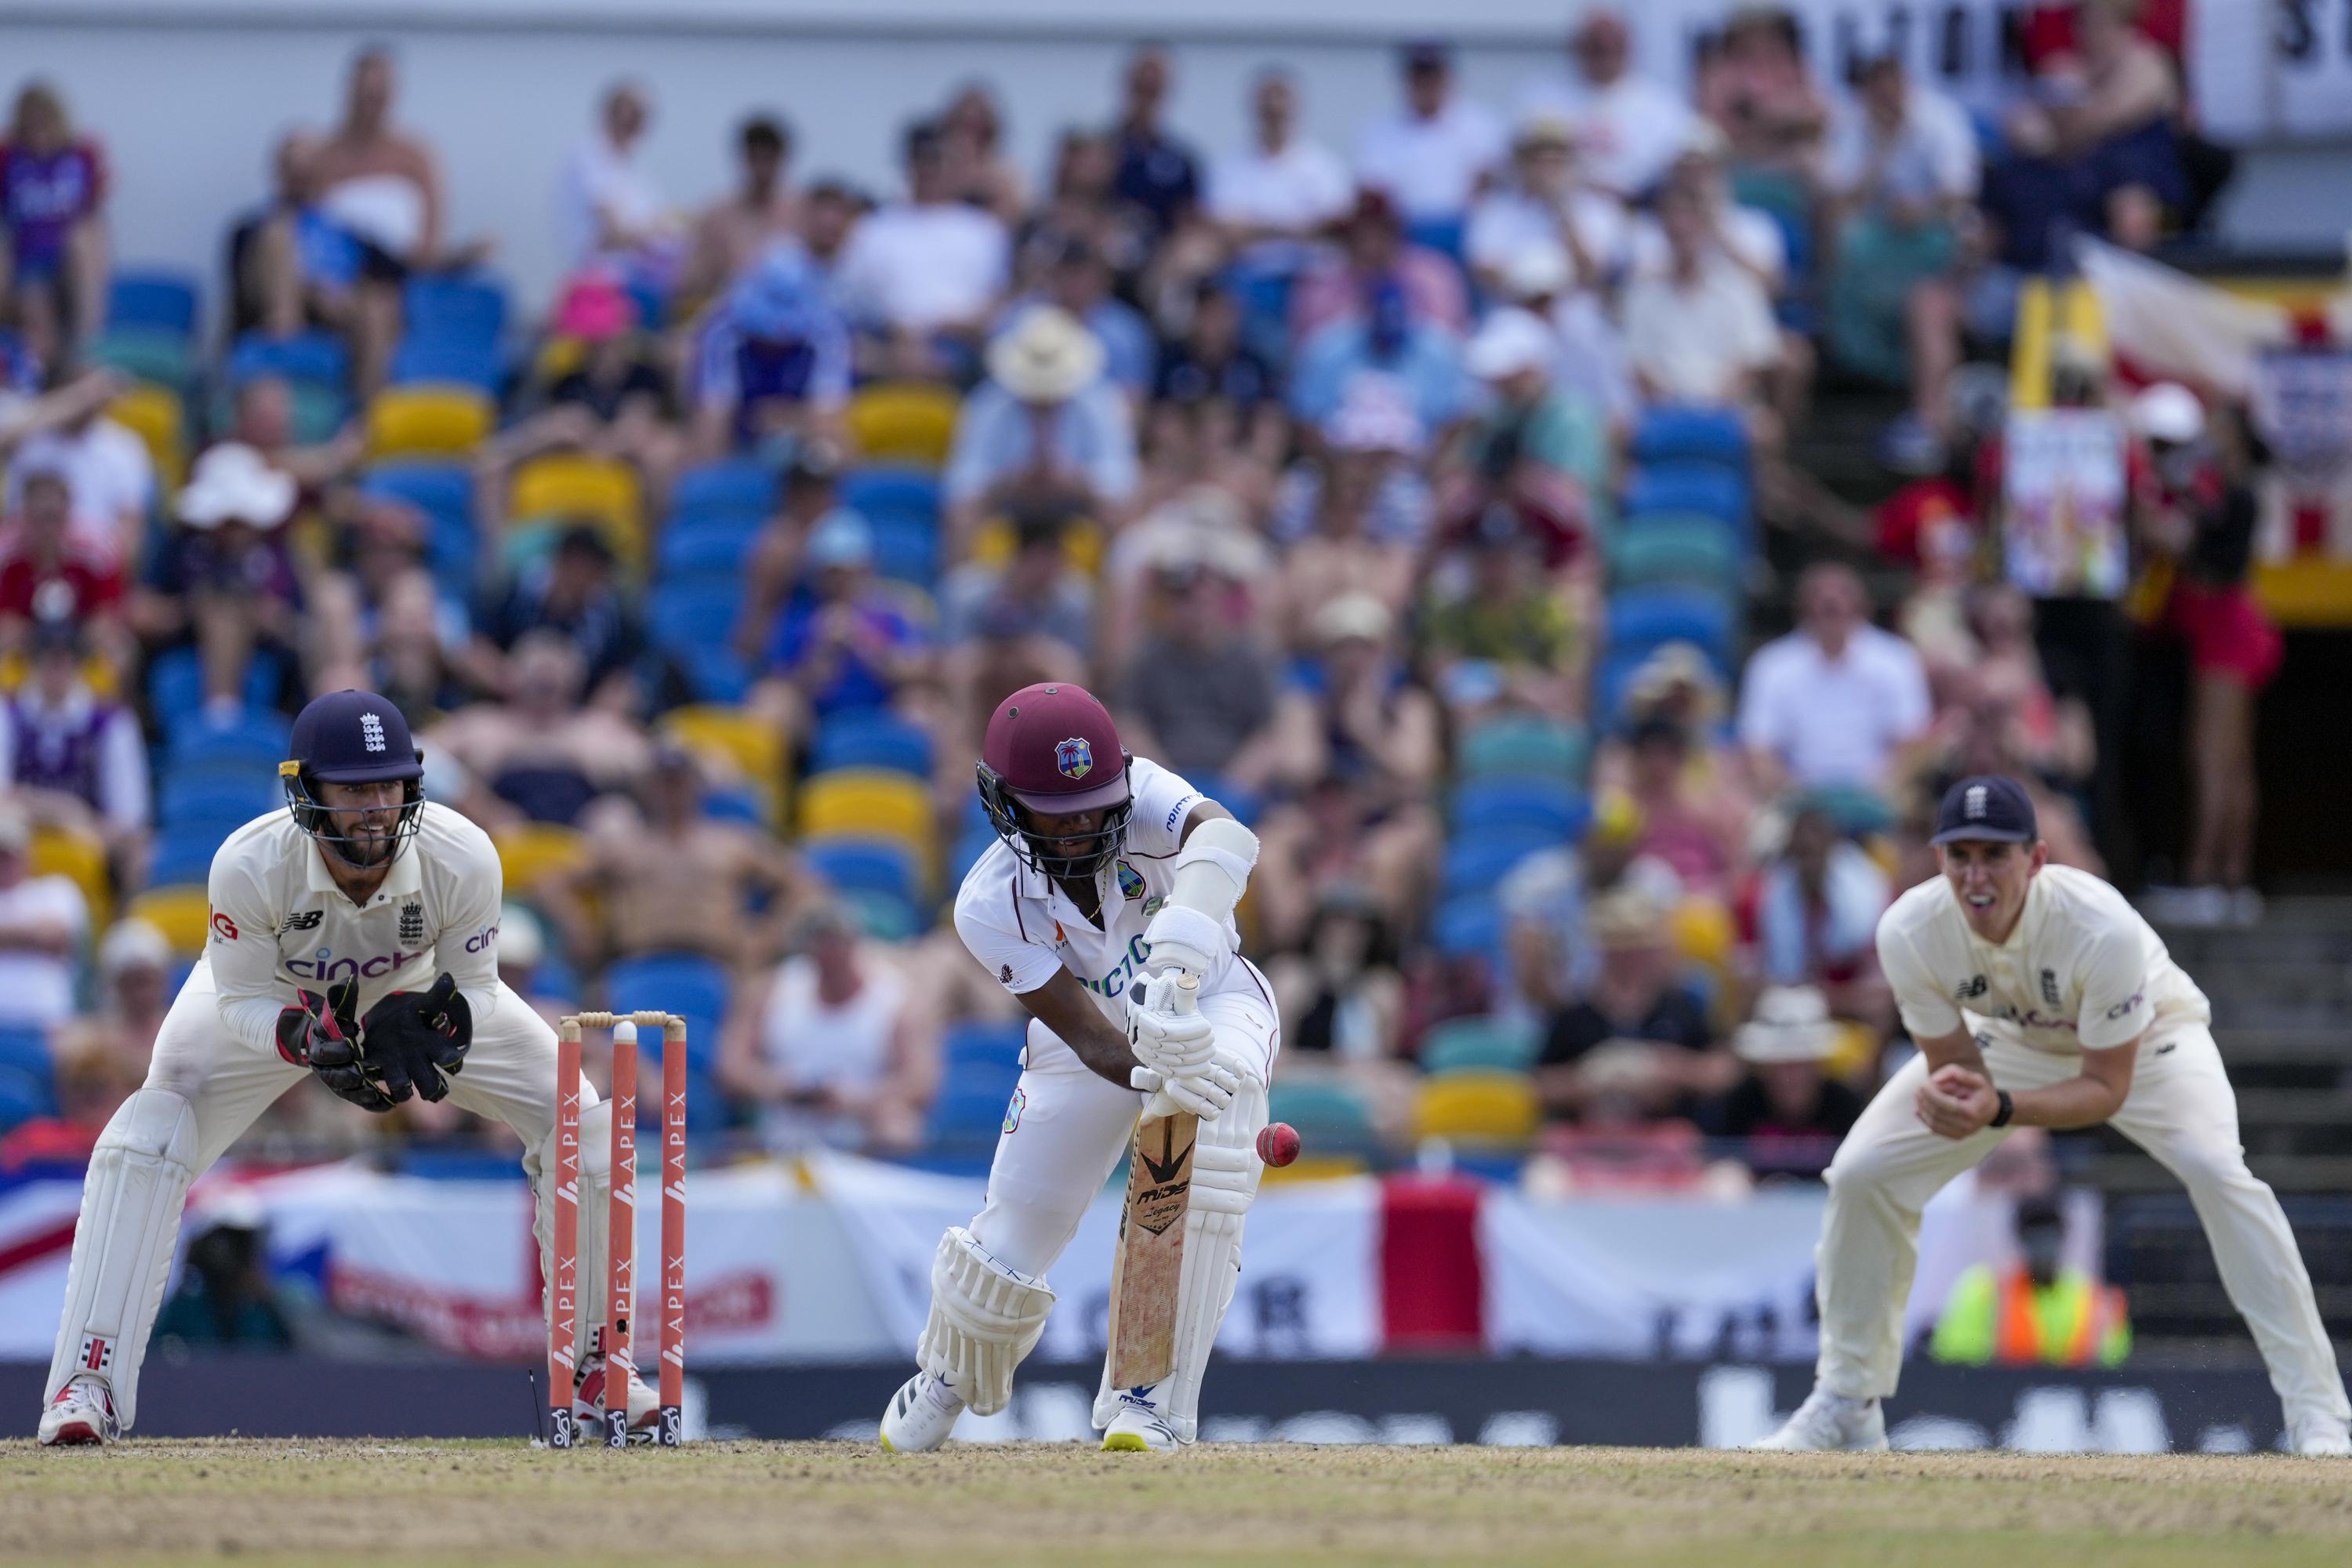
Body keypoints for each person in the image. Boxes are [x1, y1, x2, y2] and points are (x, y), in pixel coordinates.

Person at [38, 690, 659, 1444]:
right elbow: (235, 998)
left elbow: (477, 990)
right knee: (146, 1133)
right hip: (274, 996)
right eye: (354, 789)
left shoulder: (462, 854)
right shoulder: (250, 862)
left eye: (389, 785)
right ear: (305, 793)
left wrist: (442, 1027)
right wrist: (302, 1036)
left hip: (413, 985)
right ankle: (88, 1381)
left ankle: (599, 1367)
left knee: (581, 1117)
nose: (375, 807)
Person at [1751, 775, 2352, 1456]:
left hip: (2149, 1044)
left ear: (2035, 861)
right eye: (1960, 856)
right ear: (1938, 859)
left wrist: (2000, 1108)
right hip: (2011, 1042)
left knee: (2218, 1172)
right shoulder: (1910, 931)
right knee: (1862, 1172)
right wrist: (1962, 1104)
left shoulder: (2100, 926)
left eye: (1995, 856)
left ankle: (2318, 1413)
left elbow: (2105, 1087)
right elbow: (1961, 1076)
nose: (1976, 877)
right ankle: (1847, 1402)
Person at [877, 682, 1279, 1455]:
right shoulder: (988, 904)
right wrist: (1155, 1068)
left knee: (1212, 1139)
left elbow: (1227, 839)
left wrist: (1178, 970)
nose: (1085, 827)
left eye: (1097, 805)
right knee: (1021, 1220)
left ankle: (1149, 1401)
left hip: (1214, 997)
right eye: (1059, 816)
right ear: (1007, 807)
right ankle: (946, 1377)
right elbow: (1089, 1038)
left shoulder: (1147, 794)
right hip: (1097, 1036)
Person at [2129, 386, 2276, 924]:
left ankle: (2204, 877)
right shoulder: (2220, 493)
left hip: (2226, 633)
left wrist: (2167, 533)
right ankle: (2231, 877)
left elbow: (2213, 564)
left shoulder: (2239, 497)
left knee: (2215, 761)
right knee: (2232, 763)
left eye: (2214, 430)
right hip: (2223, 630)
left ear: (2232, 438)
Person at [717, 902, 939, 1154]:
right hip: (783, 1124)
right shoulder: (771, 990)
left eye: (837, 951)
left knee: (900, 1126)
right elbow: (732, 1066)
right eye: (821, 955)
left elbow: (920, 1081)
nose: (830, 964)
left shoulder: (897, 1000)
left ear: (855, 947)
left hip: (863, 1127)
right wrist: (777, 1086)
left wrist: (856, 1100)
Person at [1737, 562, 1932, 798]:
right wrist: (1792, 793)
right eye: (1819, 594)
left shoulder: (1897, 659)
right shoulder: (1771, 665)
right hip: (1794, 795)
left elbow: (1912, 742)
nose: (1831, 599)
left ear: (1864, 605)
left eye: (1843, 593)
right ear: (1801, 607)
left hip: (1882, 793)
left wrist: (1880, 791)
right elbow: (1758, 749)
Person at [943, 307, 1137, 543]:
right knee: (962, 514)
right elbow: (962, 483)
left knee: (1119, 512)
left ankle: (1112, 580)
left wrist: (1076, 481)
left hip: (1077, 506)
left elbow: (1122, 479)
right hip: (1008, 507)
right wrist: (1007, 483)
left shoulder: (1101, 401)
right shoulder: (988, 403)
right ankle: (964, 580)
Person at [0, 616, 151, 881]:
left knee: (141, 850)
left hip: (91, 840)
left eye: (65, 659)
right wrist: (63, 812)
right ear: (31, 662)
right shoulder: (7, 715)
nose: (56, 670)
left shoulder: (112, 724)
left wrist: (79, 826)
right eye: (47, 659)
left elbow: (129, 818)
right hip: (13, 841)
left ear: (79, 663)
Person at [1929, 1192, 2130, 1368]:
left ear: (2063, 1237)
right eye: (2034, 1237)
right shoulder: (1984, 1290)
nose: (2043, 1248)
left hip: (2070, 1401)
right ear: (2020, 1239)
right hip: (2000, 1400)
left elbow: (2116, 1362)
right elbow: (1955, 1362)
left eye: (2050, 1236)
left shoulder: (2092, 1297)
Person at [1514, 10, 1693, 201]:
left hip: (1641, 214)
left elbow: (1680, 174)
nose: (1605, 52)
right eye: (1596, 46)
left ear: (1628, 46)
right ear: (1578, 45)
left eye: (1612, 45)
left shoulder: (1662, 106)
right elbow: (1519, 165)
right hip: (1557, 210)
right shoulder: (1540, 97)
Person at [0, 81, 110, 368]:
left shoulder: (82, 157)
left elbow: (93, 218)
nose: (40, 135)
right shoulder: (10, 160)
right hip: (29, 261)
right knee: (36, 306)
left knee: (83, 238)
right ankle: (43, 371)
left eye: (45, 125)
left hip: (71, 263)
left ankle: (90, 342)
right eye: (31, 126)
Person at [1354, 41, 1507, 240]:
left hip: (1468, 231)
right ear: (1406, 81)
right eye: (1419, 77)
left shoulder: (1481, 125)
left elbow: (1489, 183)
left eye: (1433, 77)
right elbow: (1374, 192)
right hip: (1404, 234)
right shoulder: (1379, 131)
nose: (1427, 85)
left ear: (1449, 78)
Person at [1711, 984, 1865, 1180]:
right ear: (1765, 1066)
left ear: (1817, 1064)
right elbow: (1721, 1160)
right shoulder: (1740, 1102)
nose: (1792, 1075)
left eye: (1801, 1063)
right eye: (1782, 1063)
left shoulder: (1845, 1104)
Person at [1207, 70, 1352, 273]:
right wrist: (1299, 230)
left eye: (1282, 97)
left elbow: (1335, 226)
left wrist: (1259, 229)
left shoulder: (1324, 166)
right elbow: (1227, 229)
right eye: (1267, 99)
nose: (1275, 106)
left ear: (1297, 106)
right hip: (1250, 274)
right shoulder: (1229, 166)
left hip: (1311, 276)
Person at [556, 82, 677, 288]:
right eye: (634, 113)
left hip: (639, 272)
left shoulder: (629, 165)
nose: (639, 121)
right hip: (607, 281)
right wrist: (659, 230)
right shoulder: (590, 159)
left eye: (644, 115)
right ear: (609, 114)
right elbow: (613, 234)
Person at [681, 115, 797, 306]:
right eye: (755, 158)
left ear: (782, 159)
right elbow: (691, 280)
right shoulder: (717, 215)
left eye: (769, 158)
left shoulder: (801, 213)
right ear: (743, 158)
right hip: (731, 315)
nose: (762, 168)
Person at [0, 800, 87, 1033]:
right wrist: (31, 936)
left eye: (8, 854)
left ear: (25, 855)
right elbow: (42, 935)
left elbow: (55, 936)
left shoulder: (55, 890)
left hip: (49, 1025)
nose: (4, 863)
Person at [1109, 45, 1202, 241]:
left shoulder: (1181, 160)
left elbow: (1188, 221)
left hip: (1161, 254)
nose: (1146, 95)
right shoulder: (1101, 149)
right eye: (1141, 86)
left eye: (1154, 88)